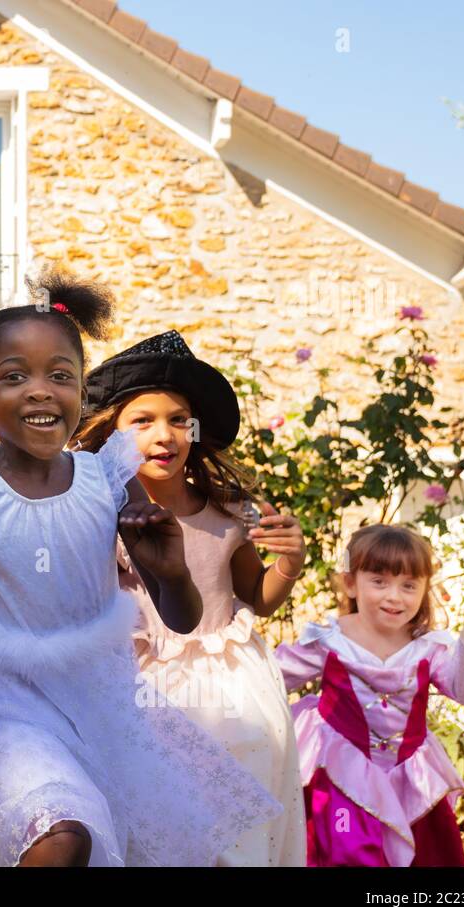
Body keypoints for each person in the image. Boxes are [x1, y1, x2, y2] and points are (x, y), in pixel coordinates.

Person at [0, 274, 281, 866]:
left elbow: (181, 618)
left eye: (60, 375)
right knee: (60, 831)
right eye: (14, 376)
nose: (41, 391)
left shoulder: (107, 481)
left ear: (81, 392)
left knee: (112, 845)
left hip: (98, 697)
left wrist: (171, 571)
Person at [74, 330, 307, 865]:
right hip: (141, 688)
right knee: (158, 833)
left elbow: (258, 596)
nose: (164, 434)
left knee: (239, 835)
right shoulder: (100, 517)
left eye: (179, 419)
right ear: (110, 434)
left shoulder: (228, 512)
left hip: (233, 690)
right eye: (143, 420)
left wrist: (289, 564)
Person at [276, 524, 464, 866]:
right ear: (351, 582)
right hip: (341, 779)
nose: (395, 596)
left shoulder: (429, 648)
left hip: (410, 782)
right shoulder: (329, 641)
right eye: (379, 581)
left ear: (424, 590)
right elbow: (272, 679)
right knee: (345, 854)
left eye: (409, 585)